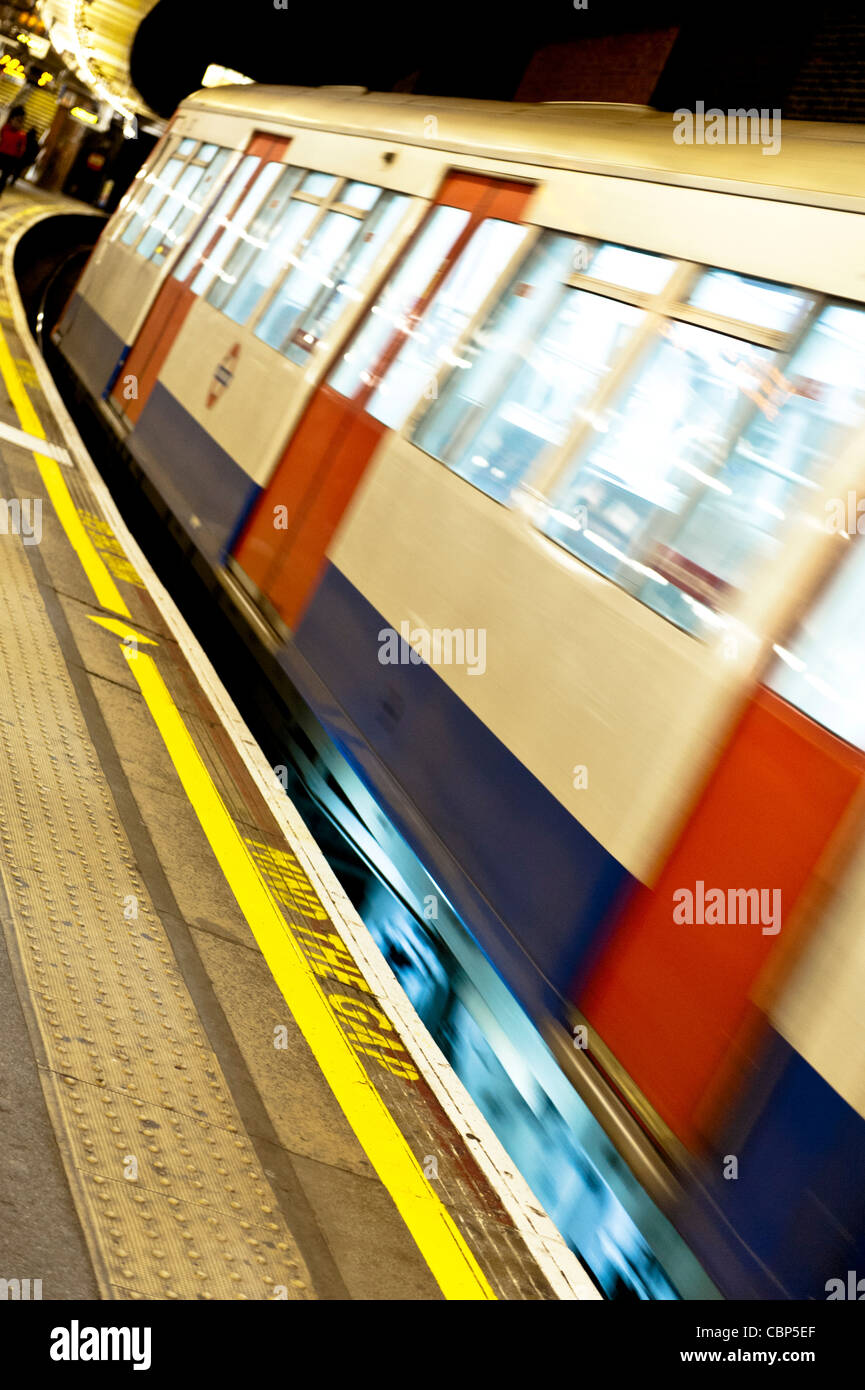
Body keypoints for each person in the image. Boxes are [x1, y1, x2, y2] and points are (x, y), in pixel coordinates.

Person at [0, 106, 26, 197]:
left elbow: (21, 149)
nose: (17, 123)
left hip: (11, 158)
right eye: (16, 120)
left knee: (4, 178)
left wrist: (17, 159)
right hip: (1, 154)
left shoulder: (22, 135)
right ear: (12, 120)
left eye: (19, 122)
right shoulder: (5, 129)